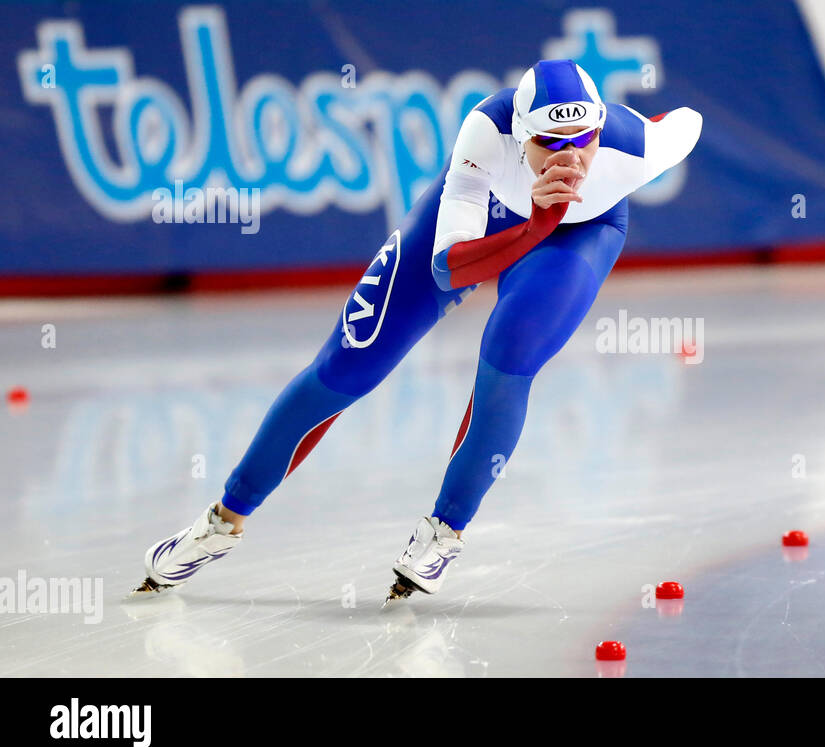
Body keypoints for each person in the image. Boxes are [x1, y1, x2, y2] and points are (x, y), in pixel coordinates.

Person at [131, 59, 702, 604]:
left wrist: (554, 220)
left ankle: (445, 531)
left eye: (583, 139)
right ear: (519, 136)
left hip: (581, 231)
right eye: (549, 144)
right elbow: (449, 267)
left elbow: (686, 123)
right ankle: (224, 519)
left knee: (509, 355)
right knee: (347, 366)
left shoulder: (637, 150)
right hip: (494, 223)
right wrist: (534, 224)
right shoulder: (485, 132)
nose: (569, 159)